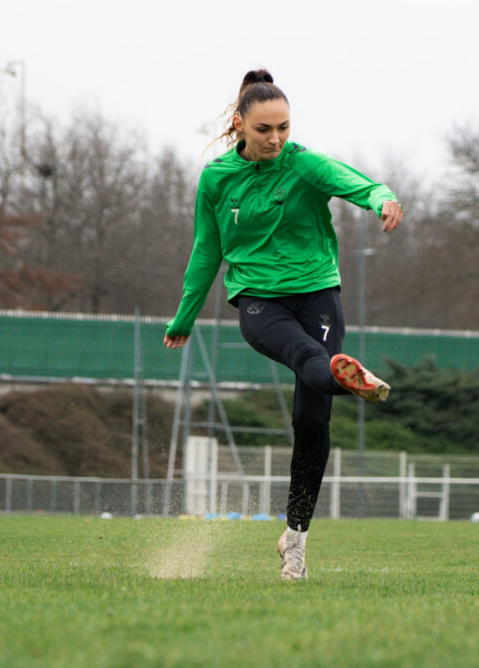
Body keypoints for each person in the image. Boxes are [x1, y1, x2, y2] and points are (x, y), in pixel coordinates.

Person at [163, 68, 404, 580]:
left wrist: (381, 199)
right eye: (264, 130)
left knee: (312, 421)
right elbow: (206, 250)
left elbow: (355, 182)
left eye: (284, 128)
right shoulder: (216, 178)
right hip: (257, 300)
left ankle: (294, 539)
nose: (275, 139)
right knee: (305, 358)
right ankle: (345, 374)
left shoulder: (304, 164)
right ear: (240, 125)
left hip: (317, 292)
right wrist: (185, 315)